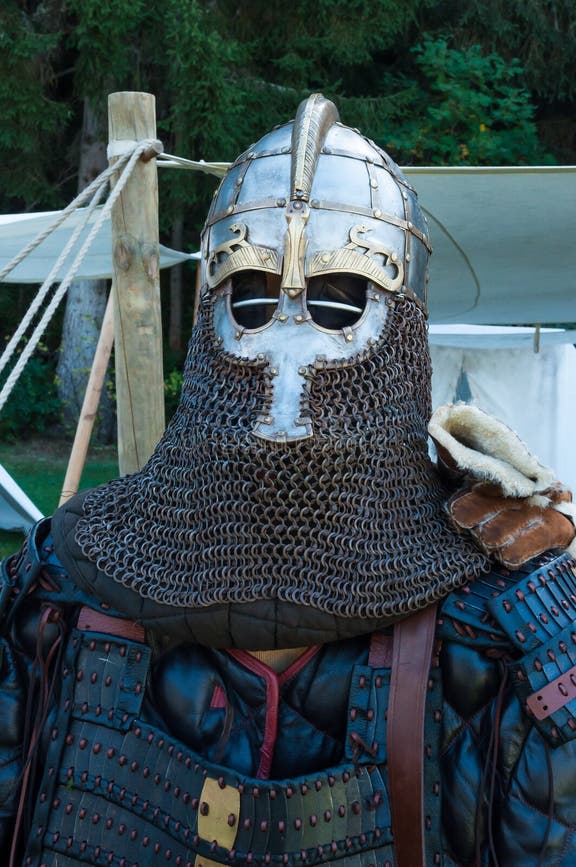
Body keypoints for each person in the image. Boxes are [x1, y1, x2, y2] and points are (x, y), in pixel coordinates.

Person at [1, 93, 575, 867]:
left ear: (404, 329)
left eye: (342, 300)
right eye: (255, 295)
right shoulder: (53, 594)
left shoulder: (520, 633)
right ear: (210, 315)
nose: (290, 339)